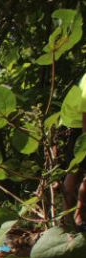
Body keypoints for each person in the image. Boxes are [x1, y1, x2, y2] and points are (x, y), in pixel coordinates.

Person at [60, 72, 86, 230]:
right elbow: (85, 115)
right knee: (74, 171)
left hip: (80, 123)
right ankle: (65, 221)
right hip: (75, 125)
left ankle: (78, 217)